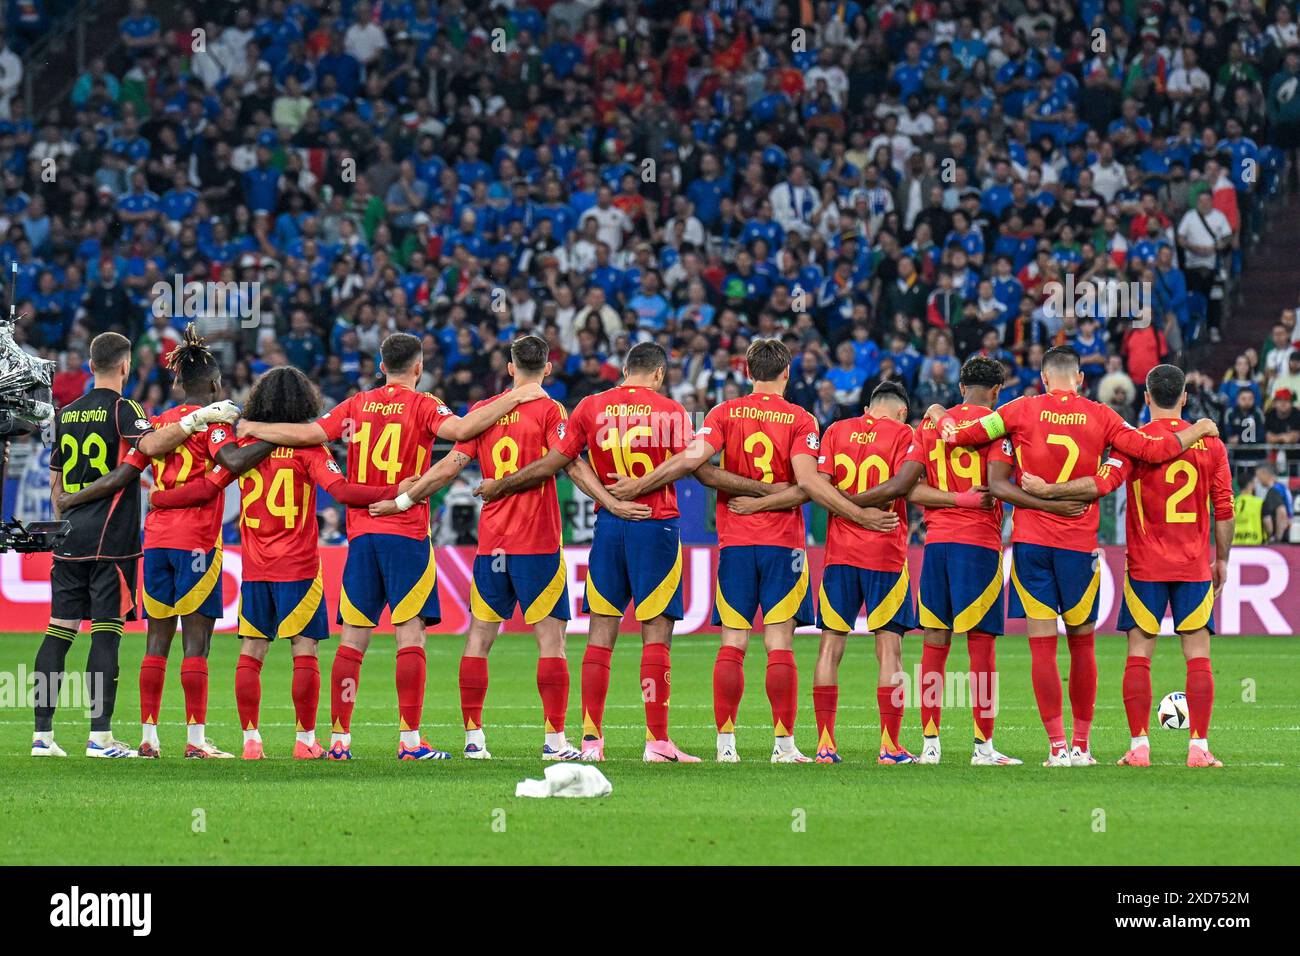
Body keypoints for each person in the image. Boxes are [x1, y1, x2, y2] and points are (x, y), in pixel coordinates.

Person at [237, 332, 547, 760]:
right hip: (405, 531)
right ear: (418, 367)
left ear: (381, 366)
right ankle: (410, 741)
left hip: (361, 536)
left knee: (353, 639)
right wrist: (517, 397)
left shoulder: (356, 405)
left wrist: (255, 427)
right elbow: (460, 429)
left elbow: (311, 434)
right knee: (410, 634)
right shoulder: (423, 404)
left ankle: (340, 741)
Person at [932, 346, 1220, 765]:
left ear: (1045, 378)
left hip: (1031, 543)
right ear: (1080, 379)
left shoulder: (1018, 409)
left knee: (1042, 648)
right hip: (1079, 545)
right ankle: (1083, 747)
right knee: (1082, 646)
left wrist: (941, 412)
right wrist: (1199, 429)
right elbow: (1153, 451)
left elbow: (957, 436)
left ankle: (1057, 748)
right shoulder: (1101, 414)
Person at [368, 335, 646, 760]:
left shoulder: (481, 413)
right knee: (551, 644)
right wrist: (608, 501)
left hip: (492, 544)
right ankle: (554, 742)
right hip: (537, 542)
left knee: (479, 639)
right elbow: (569, 461)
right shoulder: (552, 410)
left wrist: (405, 499)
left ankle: (474, 740)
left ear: (510, 367)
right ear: (547, 369)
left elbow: (450, 465)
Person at [604, 339, 879, 763]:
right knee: (779, 644)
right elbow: (806, 482)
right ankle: (784, 747)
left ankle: (725, 746)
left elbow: (695, 463)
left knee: (733, 642)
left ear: (748, 371)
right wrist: (789, 499)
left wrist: (637, 486)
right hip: (783, 545)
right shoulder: (802, 419)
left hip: (735, 542)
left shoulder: (723, 413)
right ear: (786, 372)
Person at [475, 342, 737, 763]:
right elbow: (692, 463)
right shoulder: (669, 410)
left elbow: (563, 461)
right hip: (655, 525)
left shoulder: (590, 407)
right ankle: (656, 742)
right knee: (656, 633)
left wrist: (610, 500)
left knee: (601, 632)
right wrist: (642, 486)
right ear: (657, 374)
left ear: (625, 369)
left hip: (609, 527)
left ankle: (592, 742)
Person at [148, 367, 403, 759]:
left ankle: (251, 741)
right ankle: (305, 742)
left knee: (252, 652)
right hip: (298, 568)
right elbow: (343, 491)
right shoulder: (309, 448)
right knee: (304, 650)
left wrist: (160, 500)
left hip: (254, 569)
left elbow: (207, 486)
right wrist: (397, 491)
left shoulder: (243, 447)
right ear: (305, 402)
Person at [1020, 365, 1234, 768]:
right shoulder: (1212, 445)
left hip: (1145, 565)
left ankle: (1139, 746)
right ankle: (1199, 747)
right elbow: (1224, 509)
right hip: (1192, 565)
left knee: (1139, 654)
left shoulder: (1132, 445)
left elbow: (1101, 484)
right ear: (1184, 398)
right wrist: (1221, 558)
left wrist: (1050, 490)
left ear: (1147, 397)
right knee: (1198, 656)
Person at [34, 332, 237, 758]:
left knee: (59, 630)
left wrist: (70, 506)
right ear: (125, 367)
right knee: (107, 633)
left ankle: (43, 738)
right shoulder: (126, 409)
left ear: (90, 365)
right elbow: (145, 451)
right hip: (112, 538)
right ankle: (101, 738)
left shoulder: (66, 412)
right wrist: (200, 420)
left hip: (69, 533)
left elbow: (56, 485)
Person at [912, 356, 1084, 766]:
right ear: (996, 392)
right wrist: (1051, 503)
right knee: (980, 647)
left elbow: (912, 490)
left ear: (959, 388)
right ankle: (982, 747)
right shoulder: (998, 427)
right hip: (979, 545)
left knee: (934, 643)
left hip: (935, 546)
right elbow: (999, 486)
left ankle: (930, 746)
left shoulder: (932, 425)